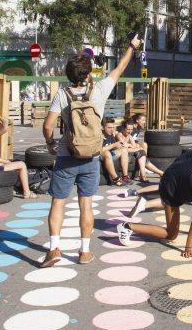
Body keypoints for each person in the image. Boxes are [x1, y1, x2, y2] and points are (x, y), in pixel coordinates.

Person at [39, 34, 143, 268]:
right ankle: (84, 251)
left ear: (69, 75)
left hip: (67, 155)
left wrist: (50, 144)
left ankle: (54, 247)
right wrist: (131, 47)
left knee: (58, 202)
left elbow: (47, 126)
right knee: (86, 204)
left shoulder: (62, 95)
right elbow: (120, 67)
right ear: (88, 75)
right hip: (92, 156)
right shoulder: (99, 90)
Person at [99, 118, 130, 186]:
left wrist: (121, 145)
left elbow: (114, 146)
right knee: (107, 153)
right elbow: (99, 150)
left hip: (109, 156)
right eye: (109, 127)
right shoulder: (99, 136)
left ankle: (125, 177)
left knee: (123, 151)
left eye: (113, 127)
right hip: (100, 157)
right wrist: (114, 145)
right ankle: (115, 179)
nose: (112, 129)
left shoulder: (110, 135)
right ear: (102, 127)